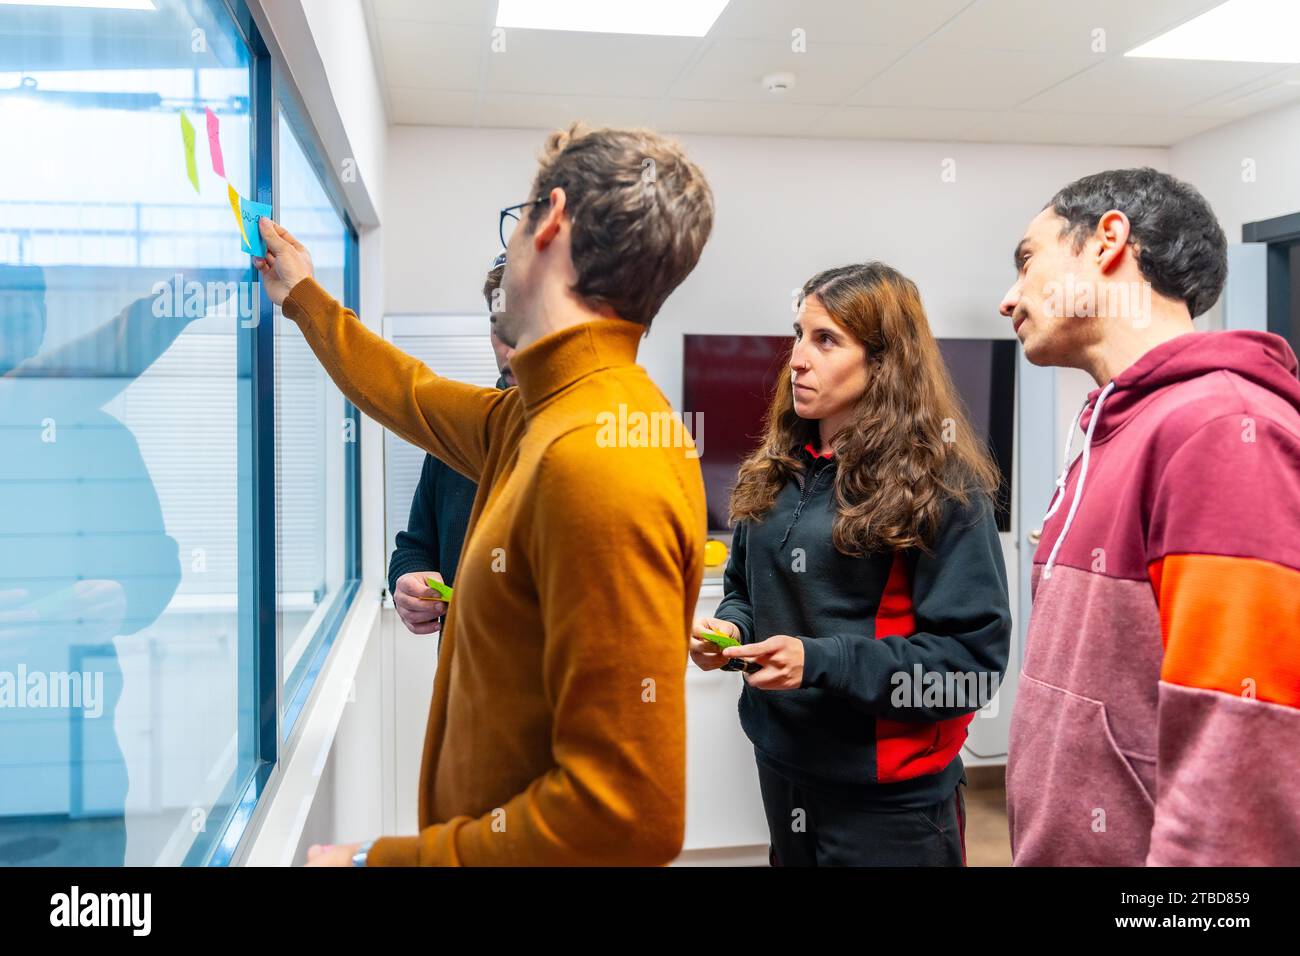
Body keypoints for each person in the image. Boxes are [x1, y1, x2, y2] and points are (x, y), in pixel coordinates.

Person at [253, 122, 715, 866]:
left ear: (552, 222)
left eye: (519, 218)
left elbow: (627, 816)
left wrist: (380, 860)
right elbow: (410, 393)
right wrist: (304, 295)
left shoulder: (602, 453)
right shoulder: (535, 414)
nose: (510, 243)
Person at [1001, 167, 1300, 865]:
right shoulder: (1112, 428)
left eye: (1026, 260)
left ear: (1108, 240)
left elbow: (1243, 746)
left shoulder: (1225, 428)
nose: (1008, 299)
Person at [691, 262, 1011, 866]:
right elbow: (743, 588)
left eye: (826, 340)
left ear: (884, 362)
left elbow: (970, 667)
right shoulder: (778, 466)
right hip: (782, 766)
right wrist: (731, 628)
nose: (797, 359)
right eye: (798, 334)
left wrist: (820, 661)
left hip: (889, 802)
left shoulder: (941, 486)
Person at [389, 259, 514, 642]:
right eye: (499, 328)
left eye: (525, 329)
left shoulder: (602, 438)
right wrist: (408, 580)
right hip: (459, 685)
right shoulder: (461, 430)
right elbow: (415, 545)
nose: (508, 352)